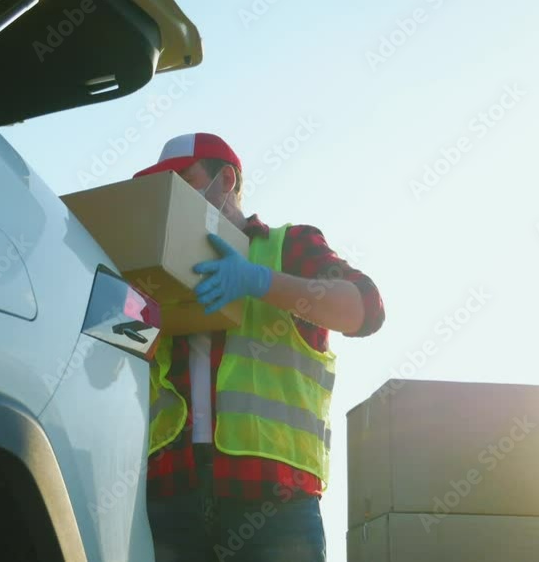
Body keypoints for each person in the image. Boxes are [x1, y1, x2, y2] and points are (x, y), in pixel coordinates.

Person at [135, 133, 385, 562]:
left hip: (275, 501)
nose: (172, 194)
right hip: (172, 495)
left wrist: (260, 281)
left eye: (183, 179)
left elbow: (364, 308)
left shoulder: (288, 246)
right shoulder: (155, 270)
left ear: (226, 179)